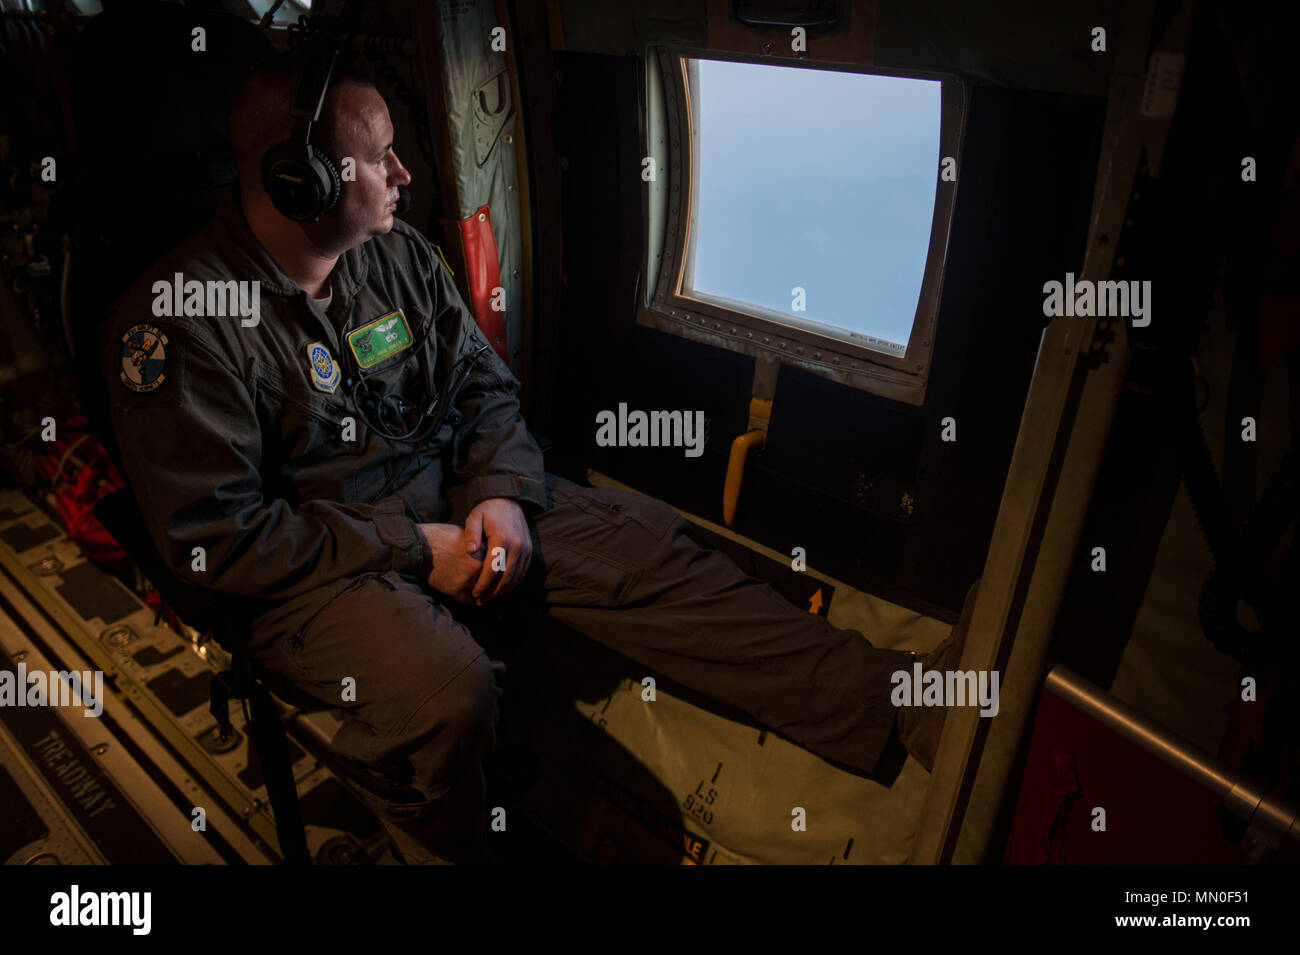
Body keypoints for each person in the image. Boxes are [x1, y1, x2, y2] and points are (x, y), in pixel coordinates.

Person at [99, 54, 965, 864]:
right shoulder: (178, 322)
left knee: (647, 553)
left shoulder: (395, 258)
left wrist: (500, 494)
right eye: (383, 158)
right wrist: (414, 547)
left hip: (449, 507)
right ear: (306, 182)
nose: (405, 176)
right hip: (318, 576)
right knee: (448, 693)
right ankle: (441, 839)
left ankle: (897, 703)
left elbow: (484, 385)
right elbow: (222, 540)